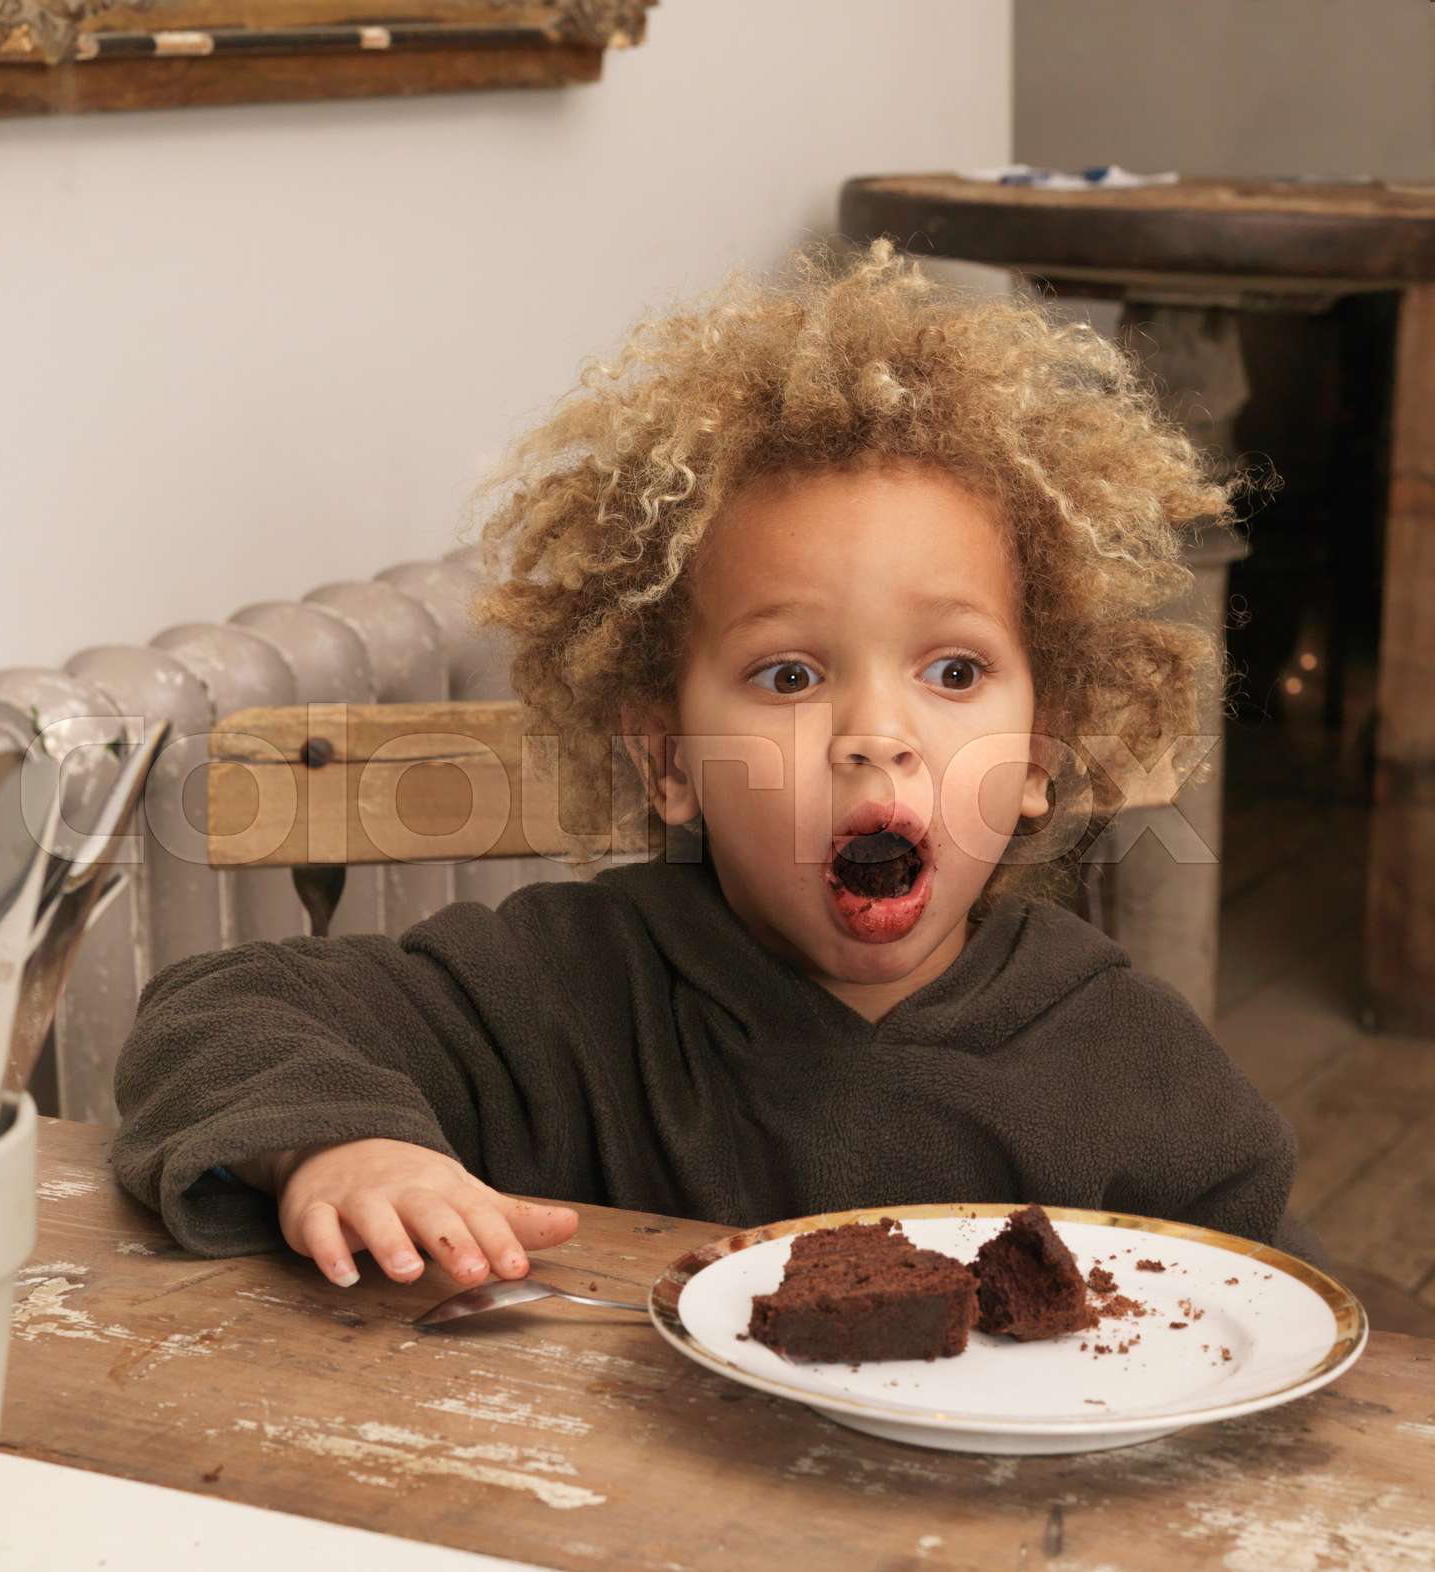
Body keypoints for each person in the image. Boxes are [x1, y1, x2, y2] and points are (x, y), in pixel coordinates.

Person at [111, 240, 1315, 1293]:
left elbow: (1279, 1324)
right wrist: (346, 1148)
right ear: (667, 759)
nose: (875, 733)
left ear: (1041, 755)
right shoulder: (566, 994)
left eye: (952, 673)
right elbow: (216, 1012)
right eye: (790, 677)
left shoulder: (1129, 1063)